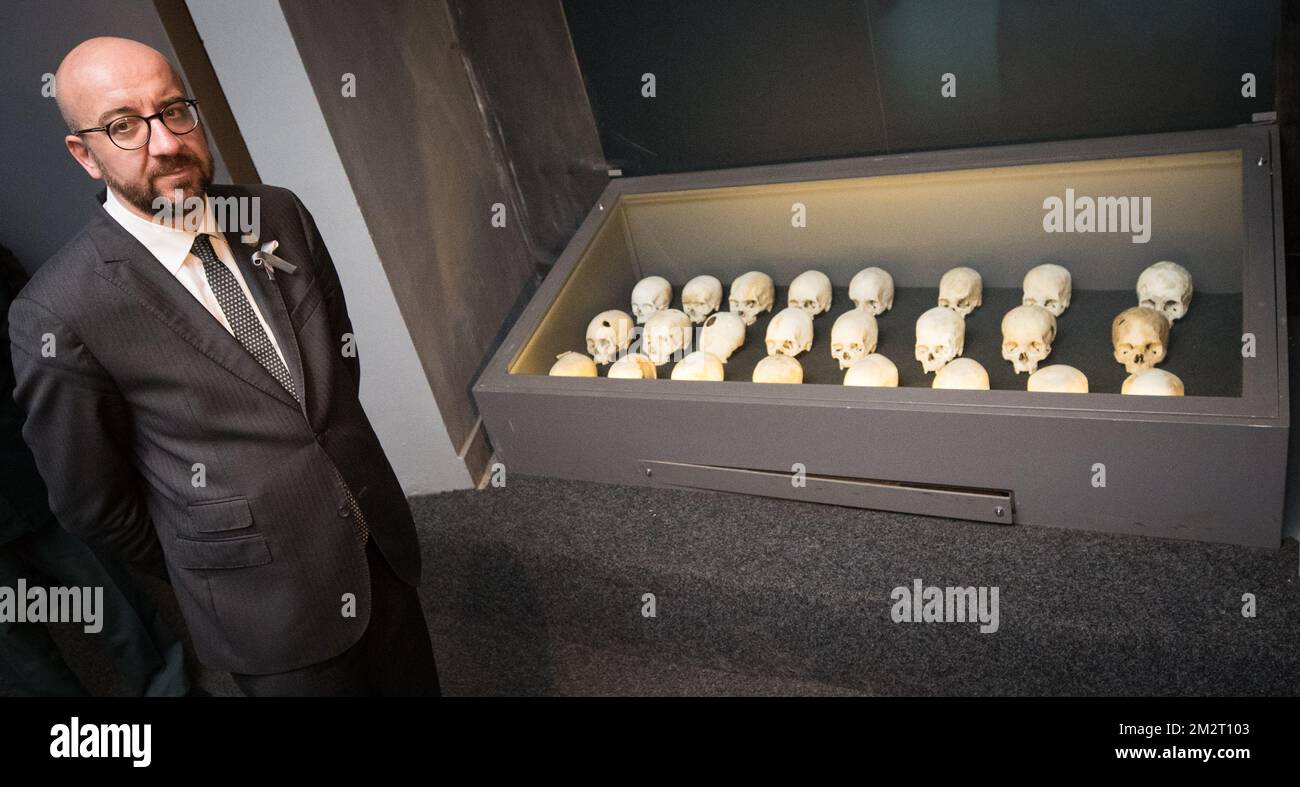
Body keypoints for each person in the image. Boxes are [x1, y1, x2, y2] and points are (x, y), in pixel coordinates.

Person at [7, 37, 439, 696]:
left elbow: (332, 371)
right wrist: (210, 555)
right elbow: (92, 503)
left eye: (174, 109)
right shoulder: (60, 310)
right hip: (268, 611)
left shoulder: (277, 214)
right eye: (124, 125)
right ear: (84, 154)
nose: (164, 141)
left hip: (375, 540)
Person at [0, 242, 191, 697]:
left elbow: (27, 334)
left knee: (107, 601)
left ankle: (171, 692)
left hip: (26, 466)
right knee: (16, 652)